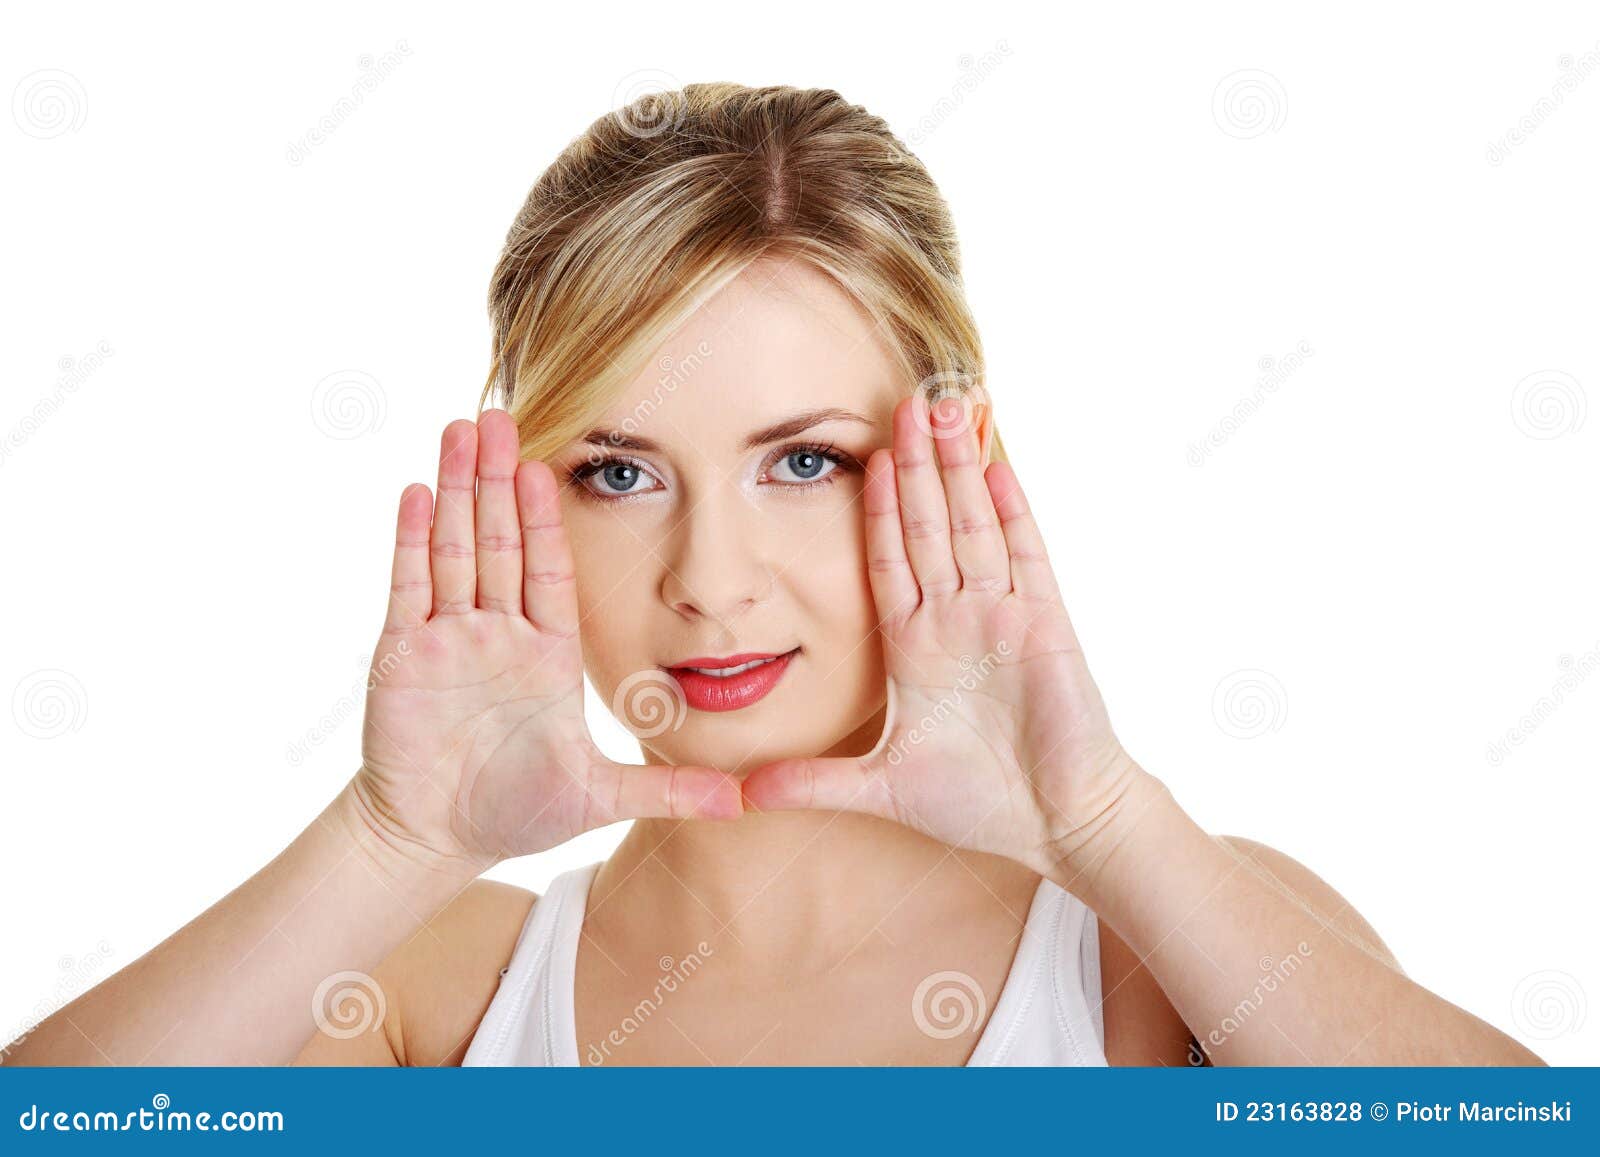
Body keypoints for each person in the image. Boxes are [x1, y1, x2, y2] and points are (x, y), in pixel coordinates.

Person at [7, 83, 1543, 1067]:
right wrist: (391, 842)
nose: (710, 580)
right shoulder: (435, 990)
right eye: (618, 473)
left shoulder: (1155, 960)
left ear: (955, 461)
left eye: (802, 460)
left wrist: (1102, 823)